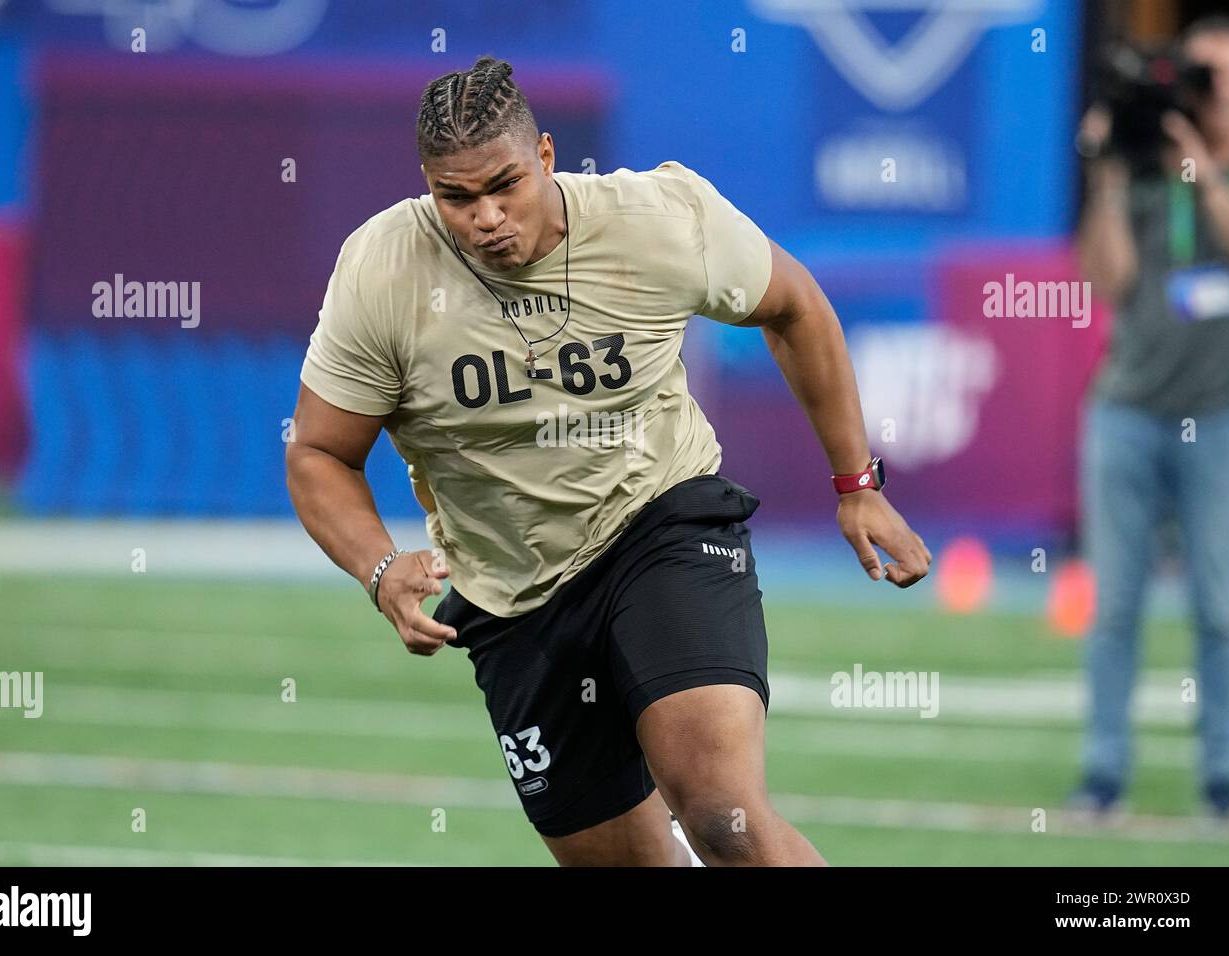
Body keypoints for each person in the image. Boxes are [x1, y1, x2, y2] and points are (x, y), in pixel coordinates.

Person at [285, 55, 930, 866]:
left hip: (659, 524)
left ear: (548, 156)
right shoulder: (383, 268)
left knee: (722, 811)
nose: (485, 217)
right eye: (456, 197)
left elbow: (795, 306)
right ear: (426, 185)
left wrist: (856, 486)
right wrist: (378, 568)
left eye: (504, 186)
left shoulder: (656, 218)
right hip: (509, 594)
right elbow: (318, 452)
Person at [1073, 16, 1229, 820]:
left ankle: (1225, 777)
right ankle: (1103, 774)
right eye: (1202, 76)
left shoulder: (1217, 171)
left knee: (1218, 604)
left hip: (1220, 416)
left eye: (1224, 79)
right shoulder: (1143, 170)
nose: (1212, 93)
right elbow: (1107, 280)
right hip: (1127, 411)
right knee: (1114, 606)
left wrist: (1206, 170)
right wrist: (1105, 172)